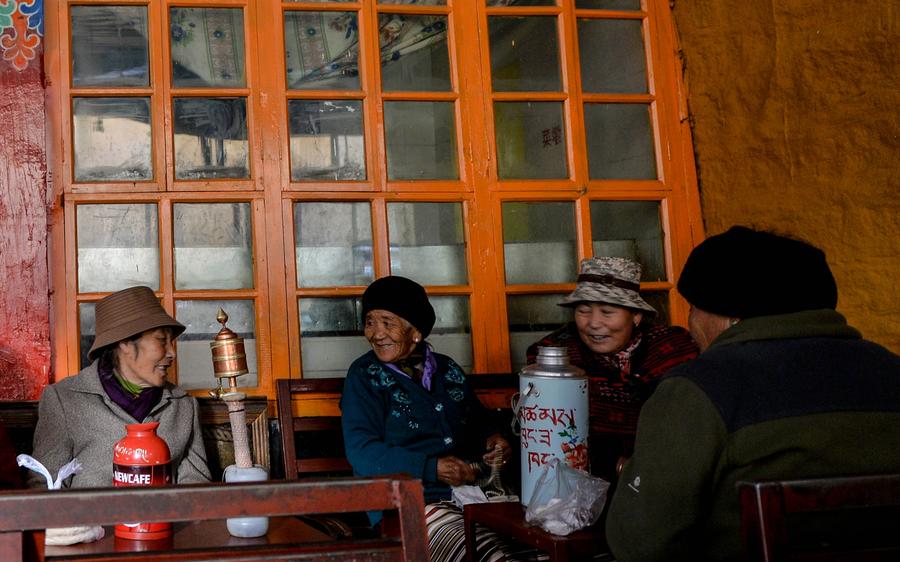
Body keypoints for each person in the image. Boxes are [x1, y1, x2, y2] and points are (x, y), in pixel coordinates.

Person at [605, 226, 900, 561]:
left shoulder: (696, 389)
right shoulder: (891, 370)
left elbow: (639, 545)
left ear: (731, 316)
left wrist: (628, 474)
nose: (690, 324)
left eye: (693, 307)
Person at [340, 275, 512, 562]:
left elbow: (477, 419)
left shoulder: (448, 370)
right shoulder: (363, 376)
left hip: (472, 496)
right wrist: (431, 468)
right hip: (407, 505)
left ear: (416, 330)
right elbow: (362, 452)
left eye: (387, 322)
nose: (375, 333)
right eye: (370, 321)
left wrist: (493, 439)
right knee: (488, 555)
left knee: (533, 546)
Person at [526, 256, 699, 478]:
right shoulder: (556, 356)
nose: (594, 323)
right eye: (583, 310)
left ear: (636, 316)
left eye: (607, 312)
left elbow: (692, 423)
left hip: (671, 474)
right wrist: (620, 467)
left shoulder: (672, 348)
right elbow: (549, 437)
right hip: (581, 479)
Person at [29, 285, 211, 489]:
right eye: (161, 340)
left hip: (164, 520)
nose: (171, 353)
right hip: (89, 520)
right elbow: (45, 486)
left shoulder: (183, 406)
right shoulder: (64, 400)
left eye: (172, 342)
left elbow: (196, 487)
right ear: (124, 343)